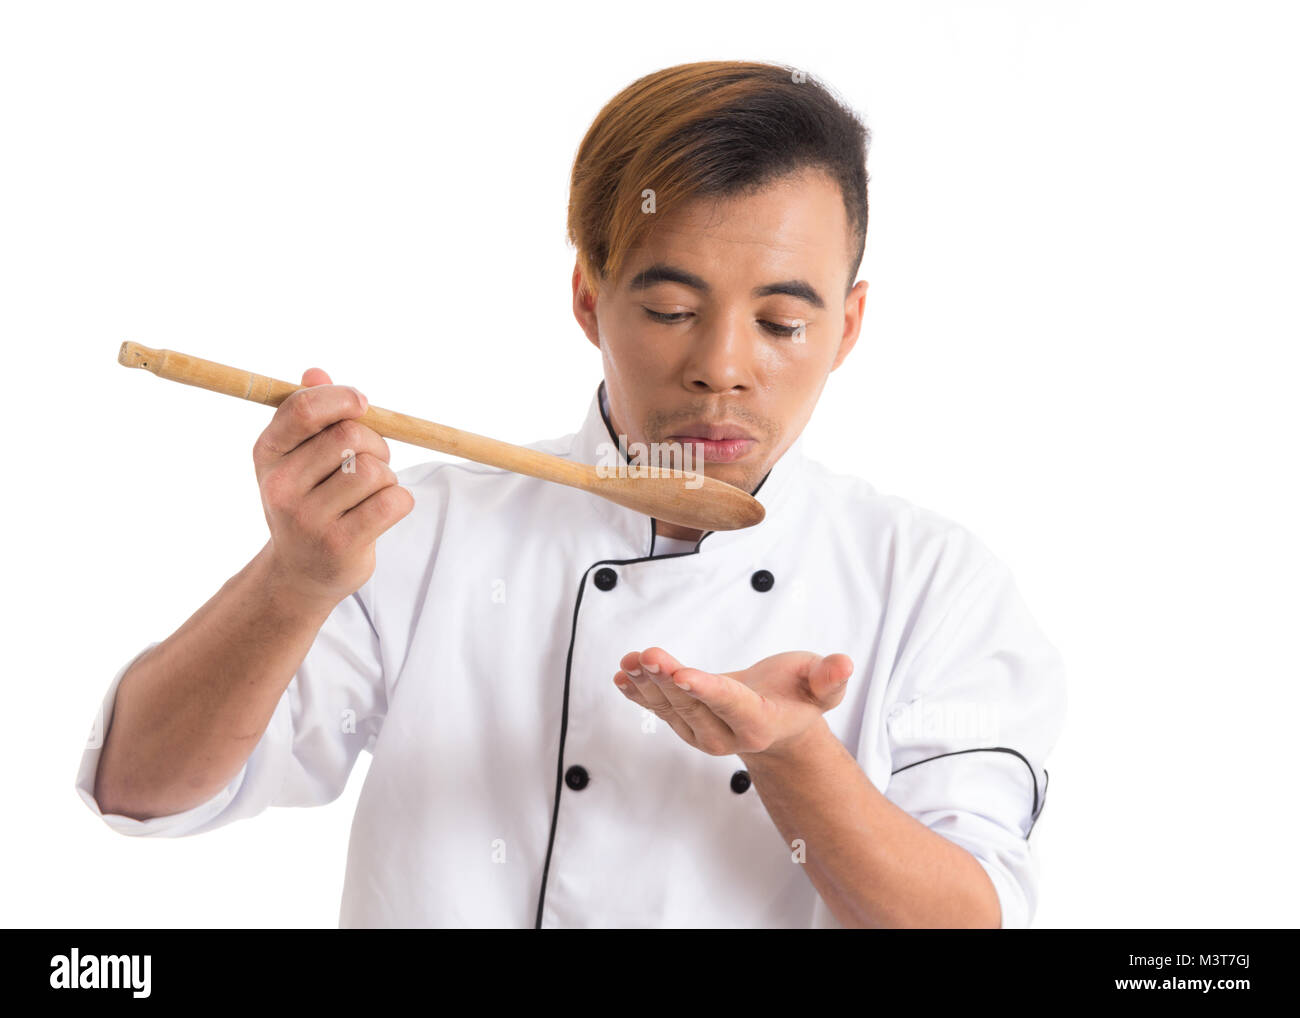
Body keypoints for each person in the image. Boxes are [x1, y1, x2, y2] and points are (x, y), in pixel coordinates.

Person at [76, 60, 1066, 928]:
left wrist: (791, 750)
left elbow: (963, 920)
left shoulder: (935, 584)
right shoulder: (416, 536)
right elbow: (139, 790)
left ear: (847, 327)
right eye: (671, 308)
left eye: (780, 321)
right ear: (589, 296)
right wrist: (292, 583)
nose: (722, 367)